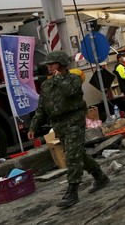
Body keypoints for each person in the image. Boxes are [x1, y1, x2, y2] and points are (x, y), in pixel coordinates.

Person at [28, 51, 110, 208]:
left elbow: (72, 92)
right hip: (59, 124)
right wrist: (33, 126)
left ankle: (72, 191)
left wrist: (59, 79)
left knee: (72, 156)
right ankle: (100, 177)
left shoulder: (73, 78)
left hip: (74, 120)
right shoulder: (46, 84)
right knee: (78, 154)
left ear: (61, 64)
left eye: (52, 64)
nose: (49, 67)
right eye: (48, 64)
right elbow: (41, 108)